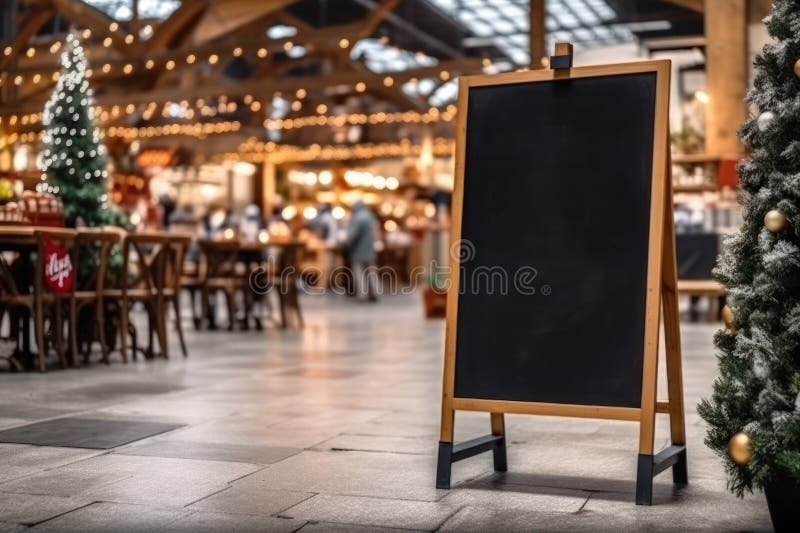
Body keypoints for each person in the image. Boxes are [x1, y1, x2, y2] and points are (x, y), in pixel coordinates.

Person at [347, 200, 379, 302]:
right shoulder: (370, 216)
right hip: (370, 249)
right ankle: (375, 292)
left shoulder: (357, 218)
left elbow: (353, 234)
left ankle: (363, 294)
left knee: (359, 272)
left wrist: (348, 244)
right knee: (371, 272)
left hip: (358, 249)